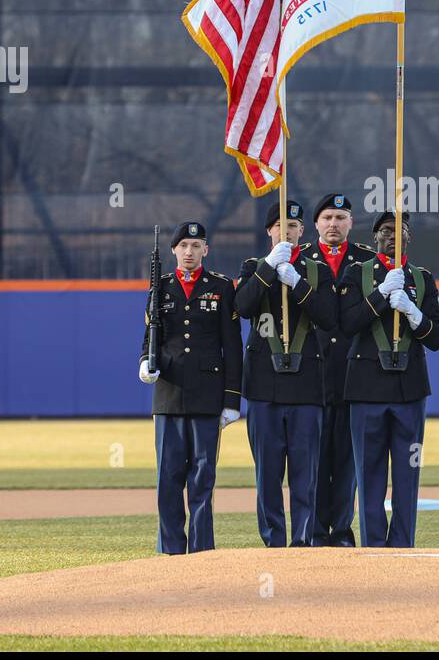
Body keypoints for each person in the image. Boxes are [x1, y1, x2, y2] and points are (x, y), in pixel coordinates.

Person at [234, 200, 338, 547]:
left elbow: (329, 318)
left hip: (307, 386)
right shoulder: (252, 267)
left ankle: (303, 539)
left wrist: (296, 282)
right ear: (269, 231)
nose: (287, 231)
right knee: (267, 474)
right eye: (281, 225)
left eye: (294, 226)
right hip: (264, 386)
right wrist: (268, 270)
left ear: (302, 232)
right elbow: (243, 306)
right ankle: (273, 540)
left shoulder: (317, 271)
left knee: (304, 473)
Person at [338, 211, 439, 548]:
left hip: (409, 391)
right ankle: (373, 545)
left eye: (401, 230)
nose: (394, 236)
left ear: (410, 237)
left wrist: (414, 313)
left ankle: (402, 545)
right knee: (369, 474)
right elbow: (347, 324)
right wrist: (381, 294)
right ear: (375, 238)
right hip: (366, 388)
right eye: (386, 230)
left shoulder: (423, 279)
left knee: (408, 473)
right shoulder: (358, 274)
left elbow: (436, 338)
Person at [139, 221, 242, 554]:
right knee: (168, 476)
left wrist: (231, 399)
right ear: (173, 251)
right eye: (183, 246)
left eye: (196, 246)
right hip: (169, 392)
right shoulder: (161, 287)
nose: (189, 252)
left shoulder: (222, 287)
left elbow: (232, 346)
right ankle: (170, 548)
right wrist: (145, 361)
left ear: (206, 250)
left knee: (202, 476)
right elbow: (151, 334)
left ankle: (200, 550)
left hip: (207, 394)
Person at [304, 192, 373, 546]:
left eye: (341, 217)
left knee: (347, 461)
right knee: (314, 459)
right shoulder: (301, 260)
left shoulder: (368, 262)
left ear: (351, 223)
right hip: (310, 376)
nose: (334, 224)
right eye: (328, 217)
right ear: (316, 224)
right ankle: (315, 530)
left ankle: (342, 530)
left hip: (353, 374)